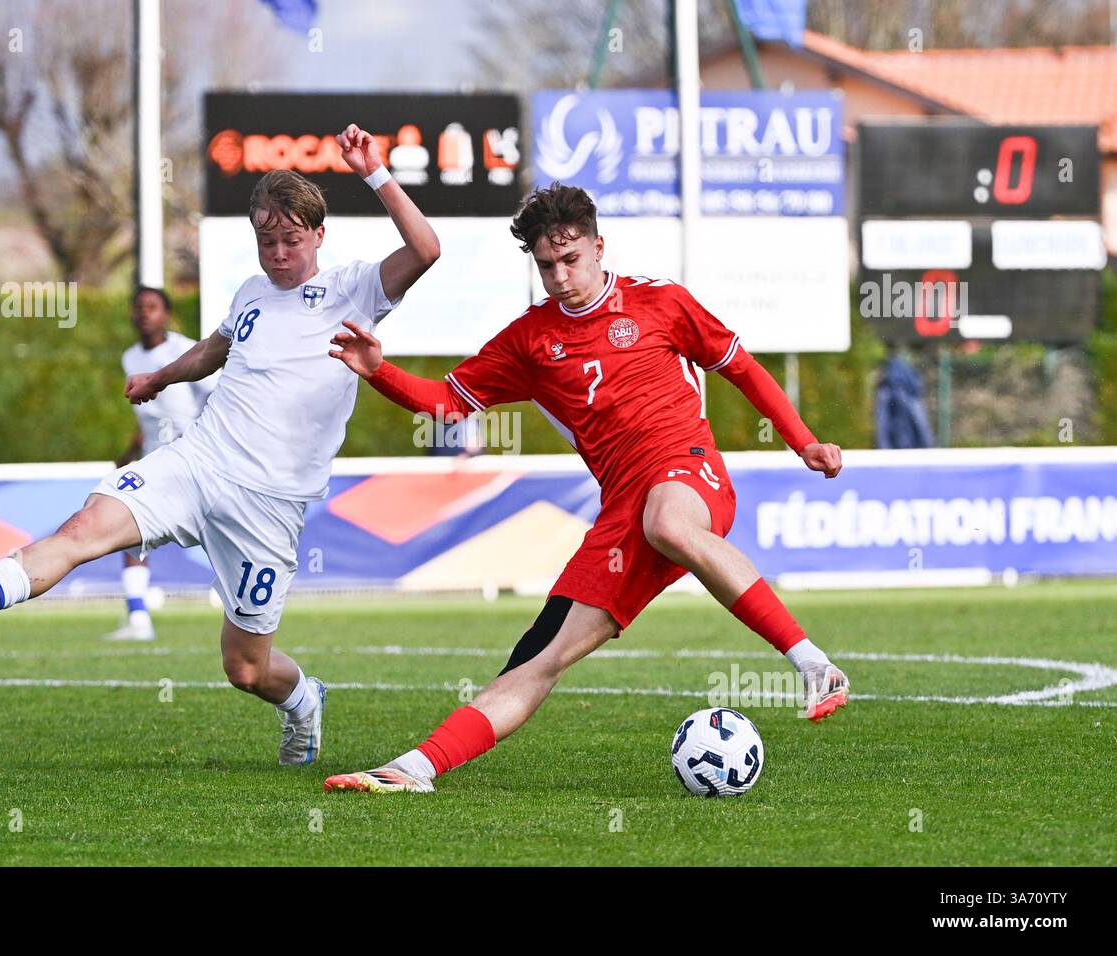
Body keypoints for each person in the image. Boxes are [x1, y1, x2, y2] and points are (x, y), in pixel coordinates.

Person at [0, 124, 440, 766]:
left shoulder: (353, 288)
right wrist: (160, 377)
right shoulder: (250, 294)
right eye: (266, 240)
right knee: (83, 529)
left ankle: (303, 700)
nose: (277, 254)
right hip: (199, 462)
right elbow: (215, 349)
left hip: (271, 504)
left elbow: (426, 247)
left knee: (245, 670)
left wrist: (375, 173)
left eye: (291, 240)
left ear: (319, 235)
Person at [323, 183, 847, 794]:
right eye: (546, 265)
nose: (560, 276)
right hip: (622, 512)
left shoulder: (662, 302)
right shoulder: (528, 340)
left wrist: (802, 440)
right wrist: (379, 371)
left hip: (689, 471)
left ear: (599, 246)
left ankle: (815, 664)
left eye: (570, 259)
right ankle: (416, 769)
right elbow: (446, 403)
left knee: (669, 523)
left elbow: (742, 368)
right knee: (539, 658)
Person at [108, 285, 218, 641]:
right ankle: (138, 618)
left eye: (152, 307)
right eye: (138, 307)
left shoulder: (187, 350)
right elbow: (150, 417)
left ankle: (244, 602)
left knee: (223, 532)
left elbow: (218, 397)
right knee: (126, 528)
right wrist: (130, 452)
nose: (144, 313)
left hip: (195, 458)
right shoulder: (129, 358)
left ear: (166, 314)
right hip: (154, 462)